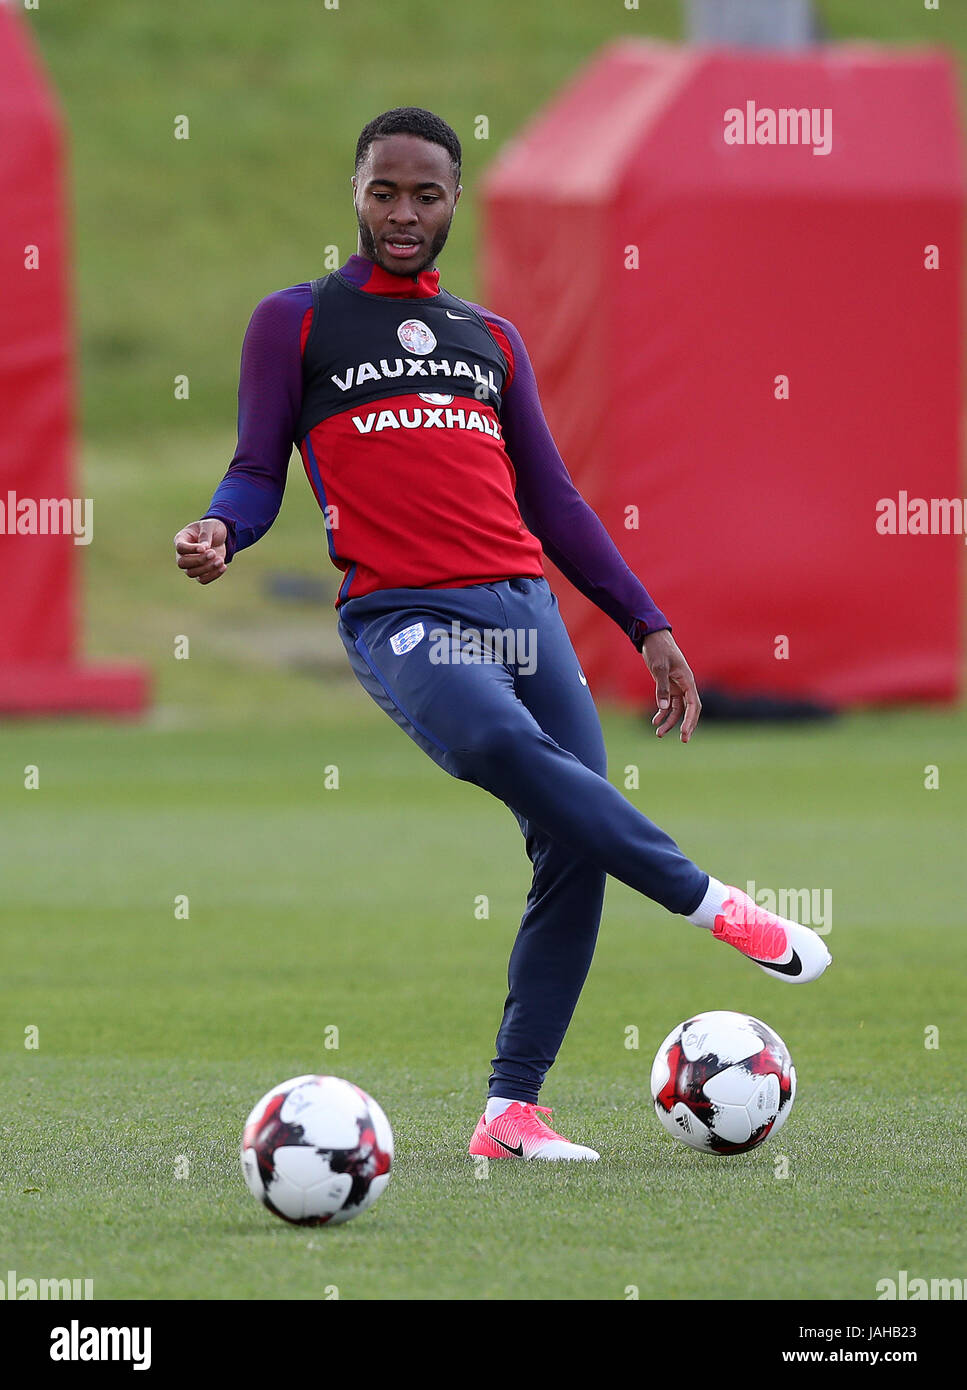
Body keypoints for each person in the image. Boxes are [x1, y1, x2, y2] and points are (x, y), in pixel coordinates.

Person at [174, 107, 831, 1163]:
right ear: (356, 192)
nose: (402, 211)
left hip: (525, 611)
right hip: (401, 613)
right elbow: (257, 469)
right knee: (490, 743)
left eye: (424, 193)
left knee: (571, 845)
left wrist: (645, 621)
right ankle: (715, 905)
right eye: (384, 190)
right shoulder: (295, 322)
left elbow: (556, 500)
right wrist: (221, 529)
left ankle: (510, 1114)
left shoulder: (493, 341)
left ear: (453, 201)